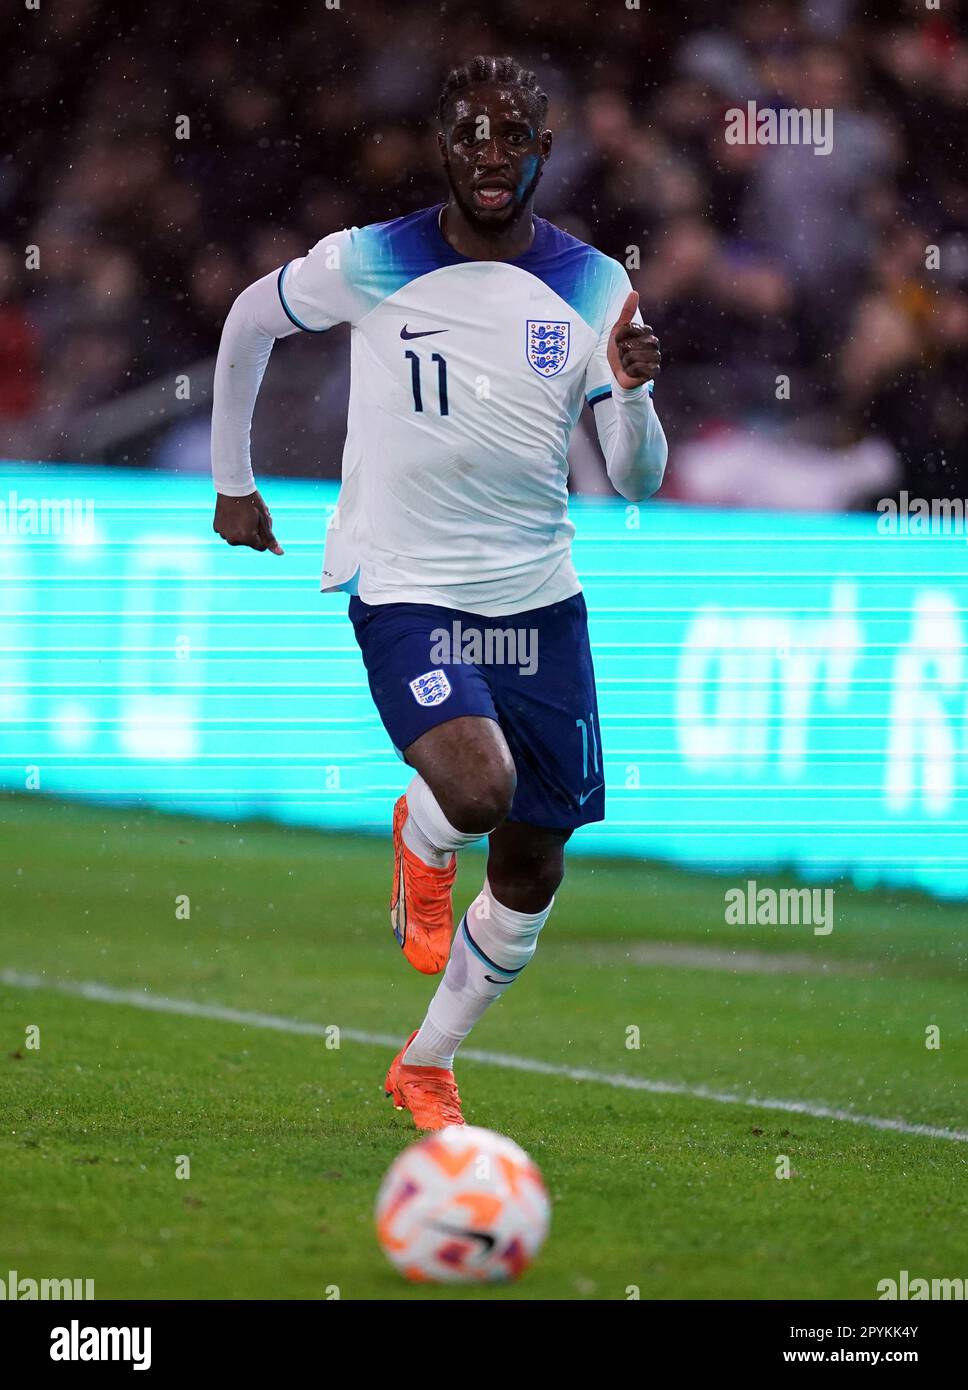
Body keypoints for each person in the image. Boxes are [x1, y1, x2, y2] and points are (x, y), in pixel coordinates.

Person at [210, 55, 667, 1130]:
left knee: (533, 860)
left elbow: (635, 480)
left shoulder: (596, 286)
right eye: (470, 134)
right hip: (409, 581)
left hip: (539, 598)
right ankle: (421, 834)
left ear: (544, 150)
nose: (491, 156)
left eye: (513, 136)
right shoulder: (372, 260)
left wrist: (636, 398)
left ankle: (425, 1063)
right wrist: (234, 482)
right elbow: (245, 322)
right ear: (442, 147)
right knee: (475, 790)